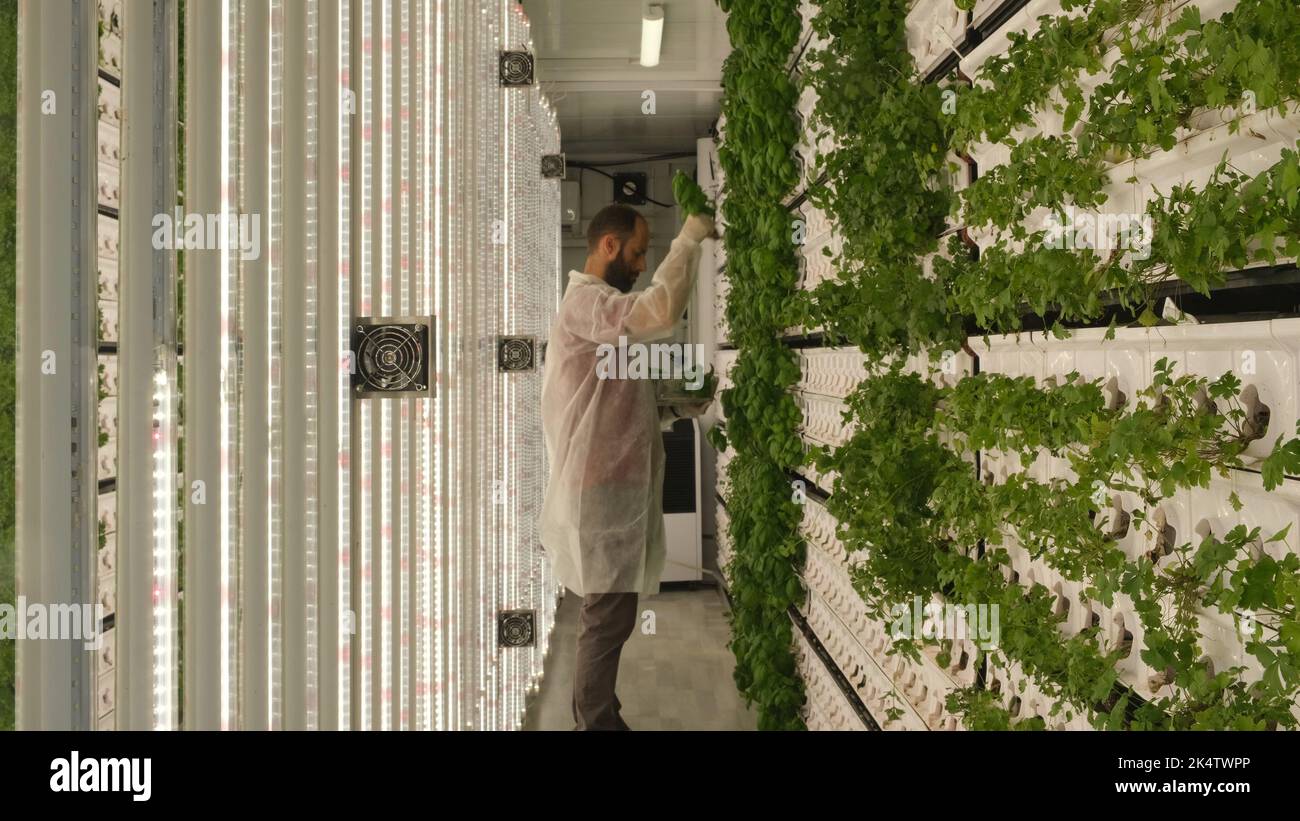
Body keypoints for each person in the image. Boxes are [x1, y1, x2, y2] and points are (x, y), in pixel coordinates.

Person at [540, 202, 716, 731]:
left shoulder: (598, 311)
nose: (642, 264)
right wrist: (688, 239)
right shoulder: (587, 304)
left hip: (610, 482)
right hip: (601, 484)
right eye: (639, 252)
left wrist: (673, 404)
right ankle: (594, 722)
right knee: (606, 617)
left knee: (610, 615)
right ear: (609, 246)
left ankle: (598, 714)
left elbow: (615, 394)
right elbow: (658, 312)